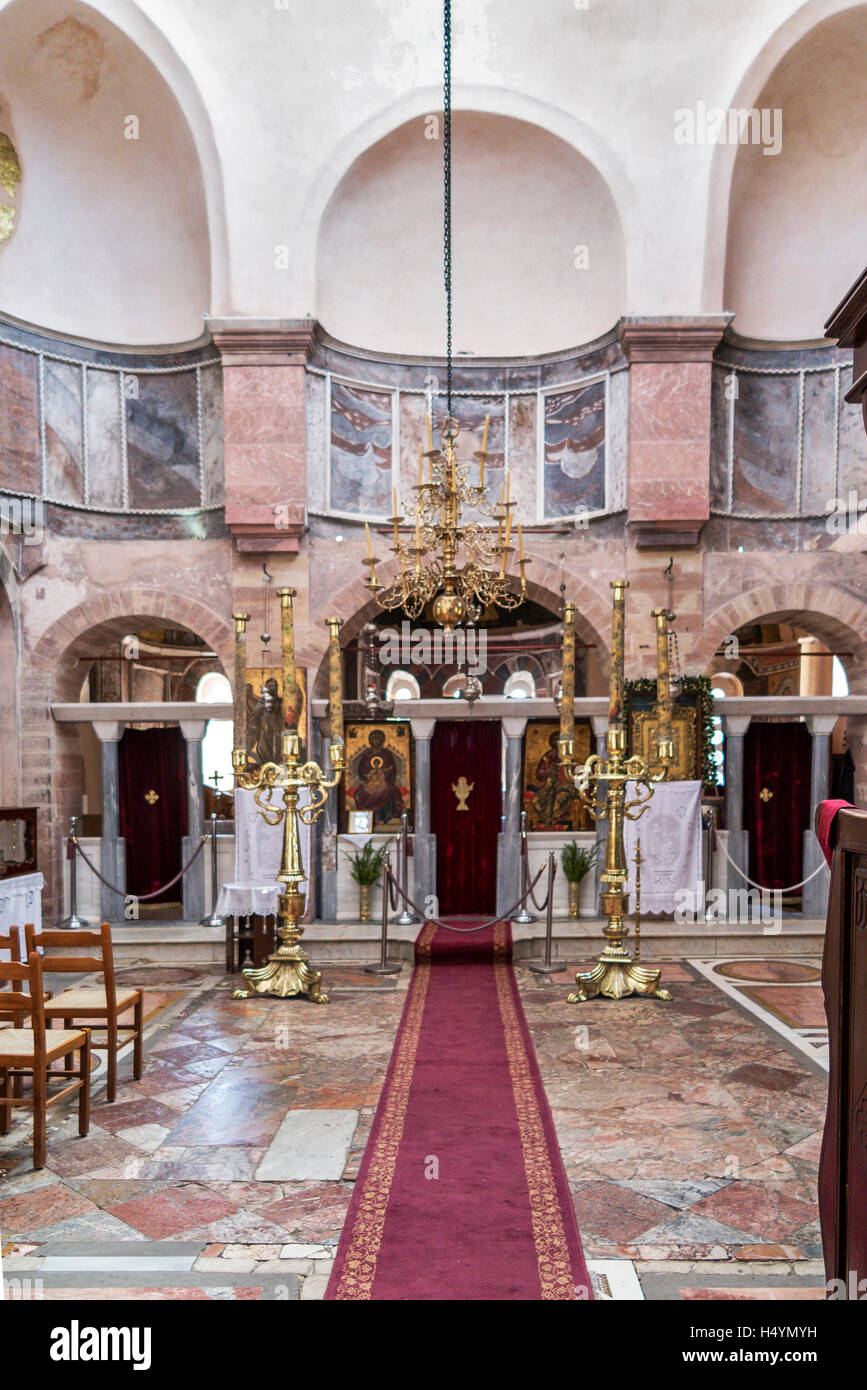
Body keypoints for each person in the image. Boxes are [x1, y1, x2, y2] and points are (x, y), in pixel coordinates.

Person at [352, 728, 405, 827]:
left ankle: (386, 818)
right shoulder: (366, 756)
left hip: (384, 782)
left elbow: (392, 769)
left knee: (389, 791)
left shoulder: (386, 755)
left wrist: (385, 774)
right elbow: (361, 771)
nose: (375, 741)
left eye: (378, 739)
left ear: (382, 740)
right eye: (373, 739)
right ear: (370, 741)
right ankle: (364, 821)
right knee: (359, 793)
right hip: (369, 784)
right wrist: (368, 776)